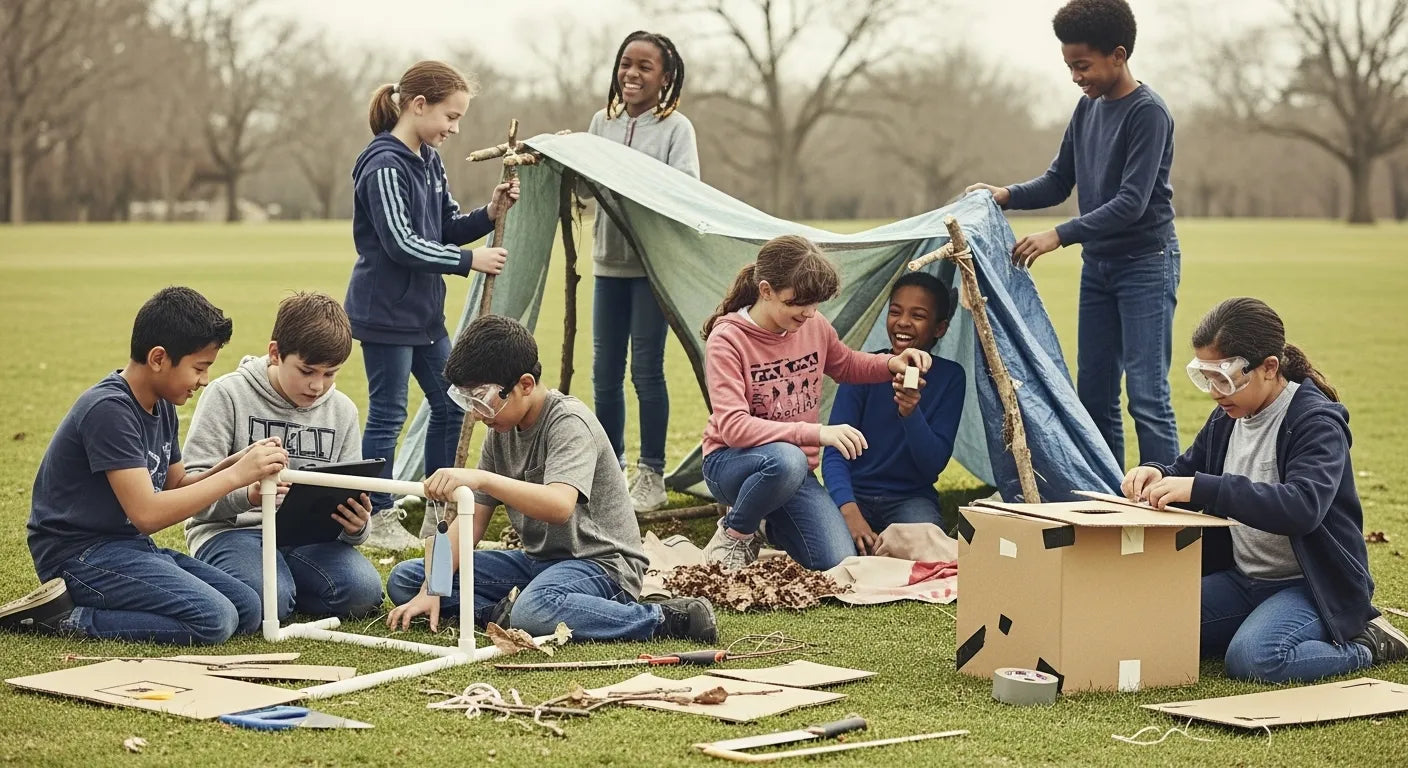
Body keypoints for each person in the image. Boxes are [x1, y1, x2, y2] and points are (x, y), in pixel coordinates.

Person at [1123, 298, 1407, 683]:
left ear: (1269, 368)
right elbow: (1188, 468)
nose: (1215, 392)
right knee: (1143, 622)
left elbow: (1302, 507)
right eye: (1206, 378)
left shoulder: (1316, 422)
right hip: (1243, 579)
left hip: (1311, 586)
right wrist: (1155, 473)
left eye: (1224, 378)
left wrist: (1203, 488)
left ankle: (1369, 645)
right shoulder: (1229, 415)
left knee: (1255, 659)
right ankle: (1256, 624)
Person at [384, 315, 717, 643]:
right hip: (538, 563)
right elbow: (472, 524)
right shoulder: (500, 431)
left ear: (525, 385)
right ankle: (506, 613)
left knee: (534, 609)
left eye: (482, 399)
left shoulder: (569, 422)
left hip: (602, 565)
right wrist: (432, 588)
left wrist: (482, 479)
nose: (475, 413)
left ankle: (663, 619)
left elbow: (559, 506)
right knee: (407, 579)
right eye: (467, 400)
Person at [0, 288, 285, 644]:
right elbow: (147, 515)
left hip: (128, 547)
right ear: (158, 358)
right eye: (199, 368)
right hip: (77, 555)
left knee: (248, 606)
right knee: (215, 619)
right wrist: (235, 476)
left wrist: (238, 463)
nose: (204, 380)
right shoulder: (108, 410)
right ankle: (64, 618)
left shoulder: (162, 405)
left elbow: (177, 485)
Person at [965, 0, 1180, 468]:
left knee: (1147, 397)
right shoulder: (1087, 109)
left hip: (1146, 265)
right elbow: (1059, 180)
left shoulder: (1148, 113)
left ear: (1118, 55)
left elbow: (1131, 203)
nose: (1076, 77)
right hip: (1098, 268)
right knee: (1095, 393)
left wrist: (1058, 235)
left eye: (1082, 66)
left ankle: (1170, 499)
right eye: (1069, 66)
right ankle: (1109, 491)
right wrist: (1005, 194)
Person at [348, 59, 520, 550]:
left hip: (424, 315)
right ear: (418, 105)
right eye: (451, 116)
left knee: (452, 403)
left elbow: (444, 228)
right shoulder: (383, 164)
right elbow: (401, 243)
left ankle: (437, 511)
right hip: (385, 312)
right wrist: (470, 261)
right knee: (389, 413)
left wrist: (489, 213)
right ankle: (376, 516)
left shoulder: (429, 160)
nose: (455, 128)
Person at [699, 235, 932, 572]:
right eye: (798, 303)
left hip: (794, 474)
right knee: (788, 458)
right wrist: (817, 433)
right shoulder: (728, 339)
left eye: (815, 304)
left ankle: (765, 521)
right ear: (766, 291)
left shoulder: (813, 324)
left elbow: (845, 364)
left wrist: (891, 363)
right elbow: (734, 428)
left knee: (838, 562)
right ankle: (735, 533)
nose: (809, 313)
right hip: (732, 465)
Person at [183, 292, 384, 620]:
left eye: (330, 374)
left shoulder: (342, 410)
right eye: (307, 371)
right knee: (269, 600)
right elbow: (191, 493)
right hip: (233, 532)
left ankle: (282, 583)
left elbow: (349, 493)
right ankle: (275, 586)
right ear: (275, 353)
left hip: (308, 539)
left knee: (362, 593)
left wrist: (357, 526)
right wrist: (249, 495)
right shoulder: (227, 394)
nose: (317, 386)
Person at [586, 30, 699, 513]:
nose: (631, 74)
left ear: (665, 77)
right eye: (625, 64)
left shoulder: (676, 129)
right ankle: (610, 470)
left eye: (644, 67)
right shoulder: (601, 122)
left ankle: (651, 474)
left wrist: (627, 174)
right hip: (606, 266)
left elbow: (684, 191)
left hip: (652, 269)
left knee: (646, 371)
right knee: (604, 373)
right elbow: (586, 191)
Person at [822, 272, 965, 554]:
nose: (903, 322)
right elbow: (835, 453)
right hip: (854, 494)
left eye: (918, 315)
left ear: (940, 328)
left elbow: (932, 464)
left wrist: (911, 413)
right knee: (832, 552)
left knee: (925, 548)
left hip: (910, 499)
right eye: (895, 312)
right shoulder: (864, 369)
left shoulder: (950, 377)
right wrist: (850, 513)